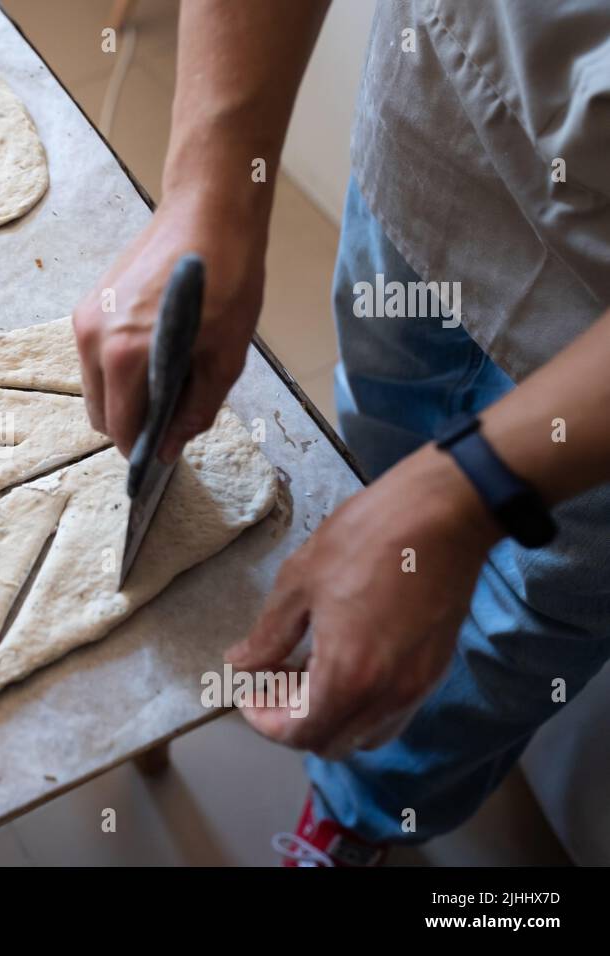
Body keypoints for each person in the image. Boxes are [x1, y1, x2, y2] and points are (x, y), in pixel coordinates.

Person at [73, 0, 610, 865]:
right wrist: (211, 184)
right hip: (446, 100)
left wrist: (465, 495)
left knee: (528, 615)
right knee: (381, 422)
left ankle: (364, 809)